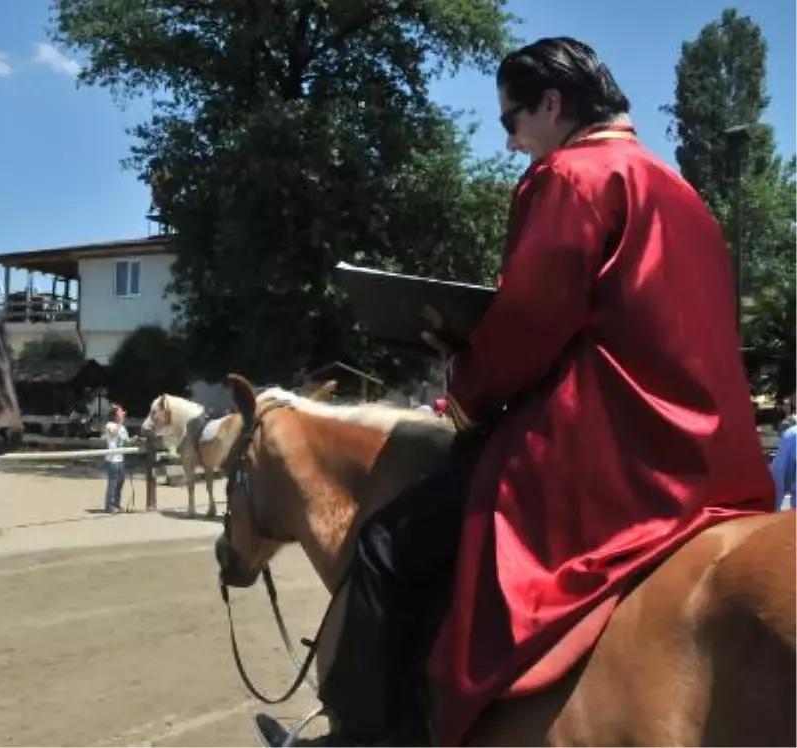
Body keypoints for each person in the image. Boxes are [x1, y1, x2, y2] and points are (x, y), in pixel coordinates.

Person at [256, 37, 774, 748]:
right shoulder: (683, 193)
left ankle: (362, 739)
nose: (510, 143)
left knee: (384, 547)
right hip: (713, 461)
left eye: (512, 122)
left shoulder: (570, 177)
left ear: (553, 104)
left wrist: (463, 379)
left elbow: (530, 325)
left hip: (604, 455)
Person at [103, 403, 130, 513]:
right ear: (115, 415)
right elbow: (113, 434)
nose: (122, 413)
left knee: (120, 482)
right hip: (112, 459)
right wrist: (120, 423)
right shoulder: (109, 425)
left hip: (120, 458)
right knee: (112, 483)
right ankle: (109, 505)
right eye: (119, 412)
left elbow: (125, 443)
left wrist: (134, 440)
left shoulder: (122, 427)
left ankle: (116, 504)